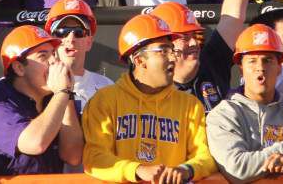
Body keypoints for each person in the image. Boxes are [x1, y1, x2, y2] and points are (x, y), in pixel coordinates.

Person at [82, 14, 217, 183]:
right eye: (163, 51)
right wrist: (137, 170)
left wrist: (187, 169)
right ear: (139, 61)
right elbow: (94, 158)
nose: (173, 57)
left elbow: (206, 157)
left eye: (172, 50)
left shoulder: (190, 105)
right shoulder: (105, 100)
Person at [206, 25, 283, 183]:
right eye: (252, 61)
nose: (260, 68)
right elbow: (236, 168)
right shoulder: (223, 114)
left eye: (268, 60)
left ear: (279, 66)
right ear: (241, 68)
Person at [0, 25, 84, 174]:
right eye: (43, 56)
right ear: (19, 68)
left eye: (54, 53)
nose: (54, 61)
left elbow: (73, 155)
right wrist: (62, 92)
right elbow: (36, 143)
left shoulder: (54, 97)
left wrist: (67, 95)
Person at [44, 0, 113, 111]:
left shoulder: (107, 87)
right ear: (51, 41)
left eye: (79, 32)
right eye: (62, 32)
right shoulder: (37, 84)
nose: (71, 39)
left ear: (89, 42)